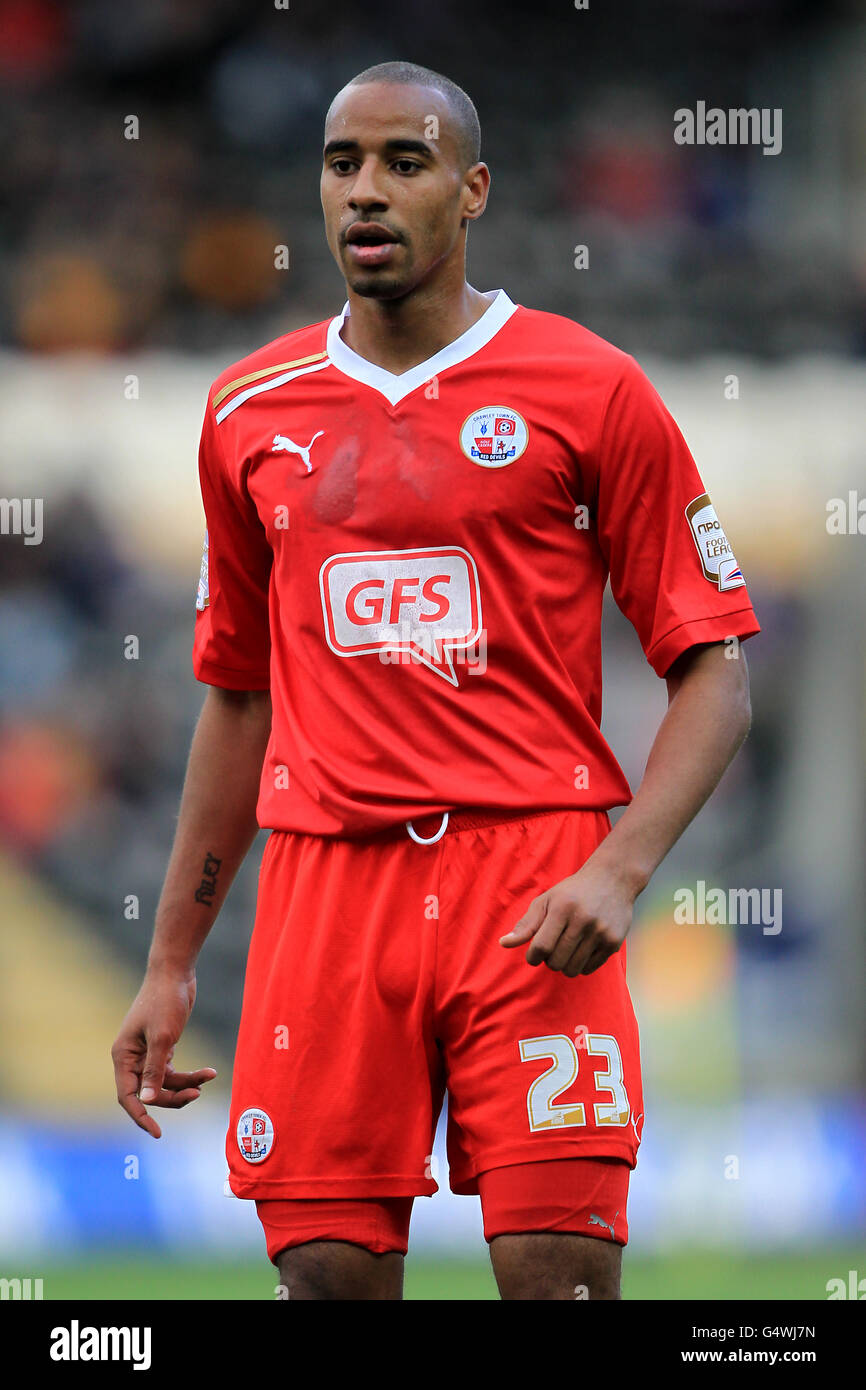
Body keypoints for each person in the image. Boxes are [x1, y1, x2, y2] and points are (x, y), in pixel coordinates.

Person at [112, 60, 760, 1301]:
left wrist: (616, 868)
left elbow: (714, 672)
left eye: (402, 163)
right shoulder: (245, 410)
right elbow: (237, 696)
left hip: (531, 884)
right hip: (326, 890)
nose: (365, 190)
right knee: (325, 1284)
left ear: (469, 193)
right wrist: (172, 959)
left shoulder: (590, 388)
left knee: (557, 1276)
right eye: (340, 162)